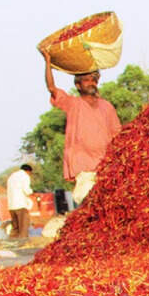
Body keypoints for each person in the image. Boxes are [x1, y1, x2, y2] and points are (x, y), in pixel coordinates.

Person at [42, 50, 121, 204]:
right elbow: (52, 88)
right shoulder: (73, 104)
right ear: (78, 85)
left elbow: (118, 134)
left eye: (94, 80)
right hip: (83, 167)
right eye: (87, 80)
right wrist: (48, 63)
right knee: (88, 203)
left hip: (105, 167)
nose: (91, 83)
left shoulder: (107, 107)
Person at [6, 164, 34, 240]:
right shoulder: (25, 176)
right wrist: (32, 192)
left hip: (11, 205)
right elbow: (26, 190)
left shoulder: (11, 176)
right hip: (20, 204)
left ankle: (12, 241)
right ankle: (23, 242)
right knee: (23, 226)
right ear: (28, 171)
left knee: (15, 227)